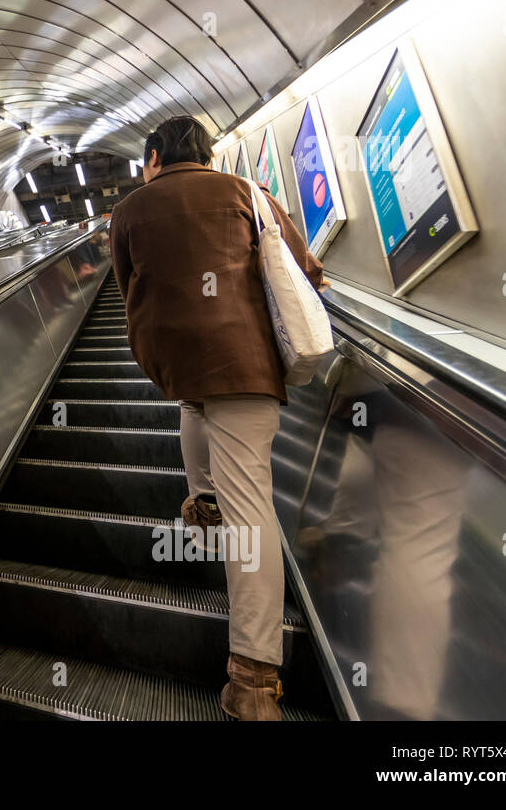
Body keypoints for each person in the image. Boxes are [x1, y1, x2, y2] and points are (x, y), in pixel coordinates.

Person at [109, 116, 326, 721]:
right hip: (245, 365)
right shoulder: (244, 193)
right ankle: (254, 683)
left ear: (153, 157)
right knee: (252, 507)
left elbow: (128, 290)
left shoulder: (128, 211)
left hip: (178, 364)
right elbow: (304, 268)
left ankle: (204, 508)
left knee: (192, 404)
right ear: (208, 156)